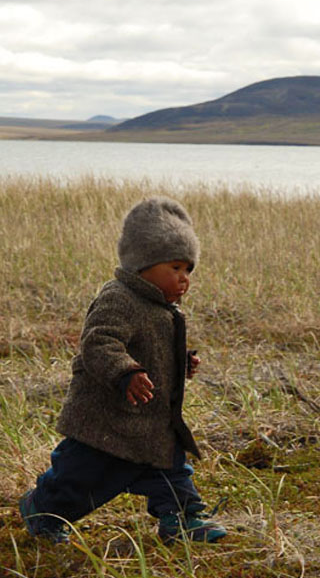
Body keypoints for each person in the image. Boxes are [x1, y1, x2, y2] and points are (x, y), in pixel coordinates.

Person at [19, 197, 226, 544]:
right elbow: (99, 342)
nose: (184, 278)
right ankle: (43, 510)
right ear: (143, 263)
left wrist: (181, 361)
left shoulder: (165, 309)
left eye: (188, 269)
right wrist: (125, 372)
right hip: (106, 421)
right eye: (175, 267)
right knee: (78, 478)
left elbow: (154, 348)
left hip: (153, 423)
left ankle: (182, 518)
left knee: (171, 471)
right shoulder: (119, 298)